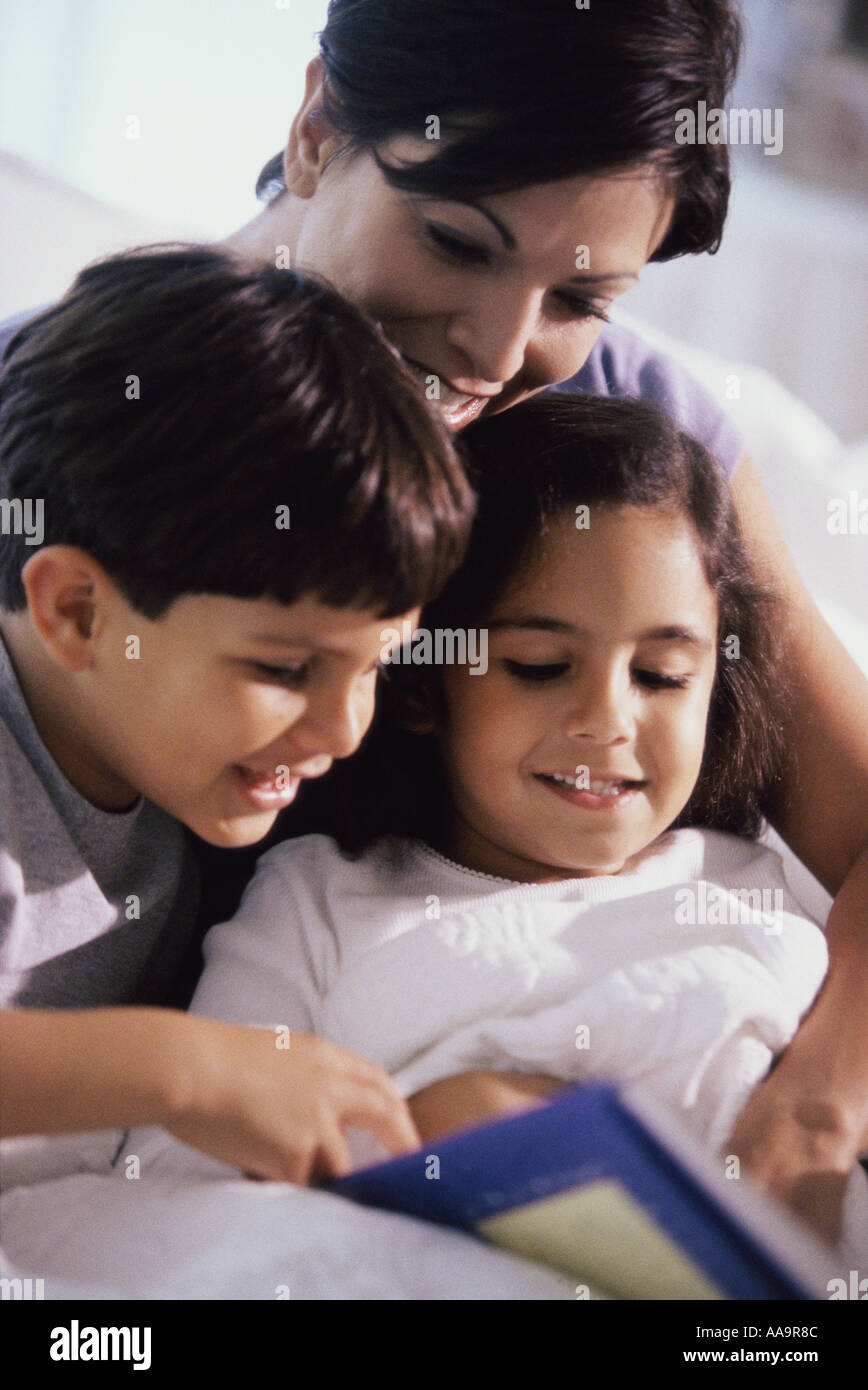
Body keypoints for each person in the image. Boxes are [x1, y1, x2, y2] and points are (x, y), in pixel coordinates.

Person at [2, 0, 866, 1228]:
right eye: (457, 241)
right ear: (315, 127)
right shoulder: (71, 442)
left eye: (582, 297)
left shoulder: (619, 433)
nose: (496, 352)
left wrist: (816, 1109)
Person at [179, 394, 866, 1256]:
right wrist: (439, 1130)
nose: (608, 720)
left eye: (660, 676)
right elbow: (198, 1155)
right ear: (426, 683)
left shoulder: (748, 882)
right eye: (540, 667)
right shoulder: (319, 900)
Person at [0, 244, 477, 1183]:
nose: (345, 730)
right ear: (78, 613)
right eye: (287, 666)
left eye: (378, 666)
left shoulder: (170, 769)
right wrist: (186, 1072)